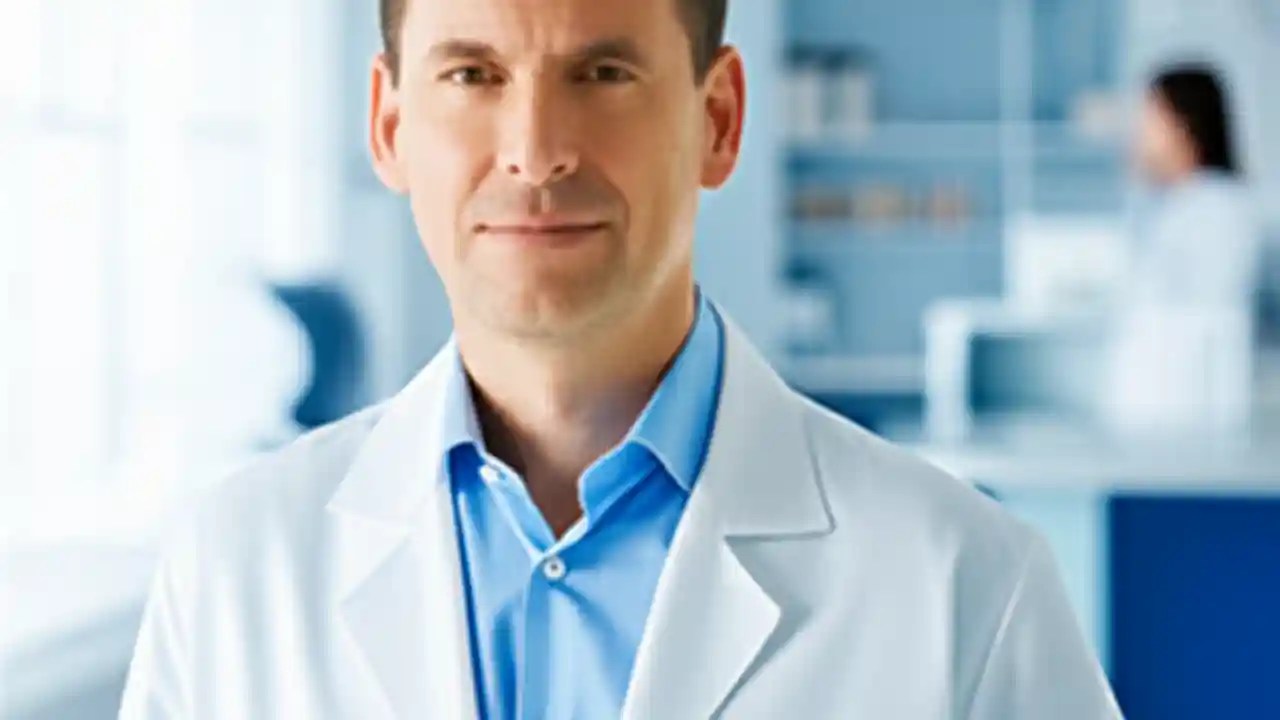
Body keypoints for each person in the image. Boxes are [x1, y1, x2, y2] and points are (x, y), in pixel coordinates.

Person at [119, 0, 1122, 717]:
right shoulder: (236, 569)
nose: (534, 149)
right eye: (472, 75)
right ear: (389, 127)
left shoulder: (962, 588)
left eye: (601, 74)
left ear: (716, 121)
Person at [1108, 64, 1262, 434]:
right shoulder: (1175, 206)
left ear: (1184, 124)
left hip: (1186, 427)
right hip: (1156, 425)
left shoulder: (1220, 209)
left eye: (1150, 120)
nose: (1139, 135)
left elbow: (1211, 323)